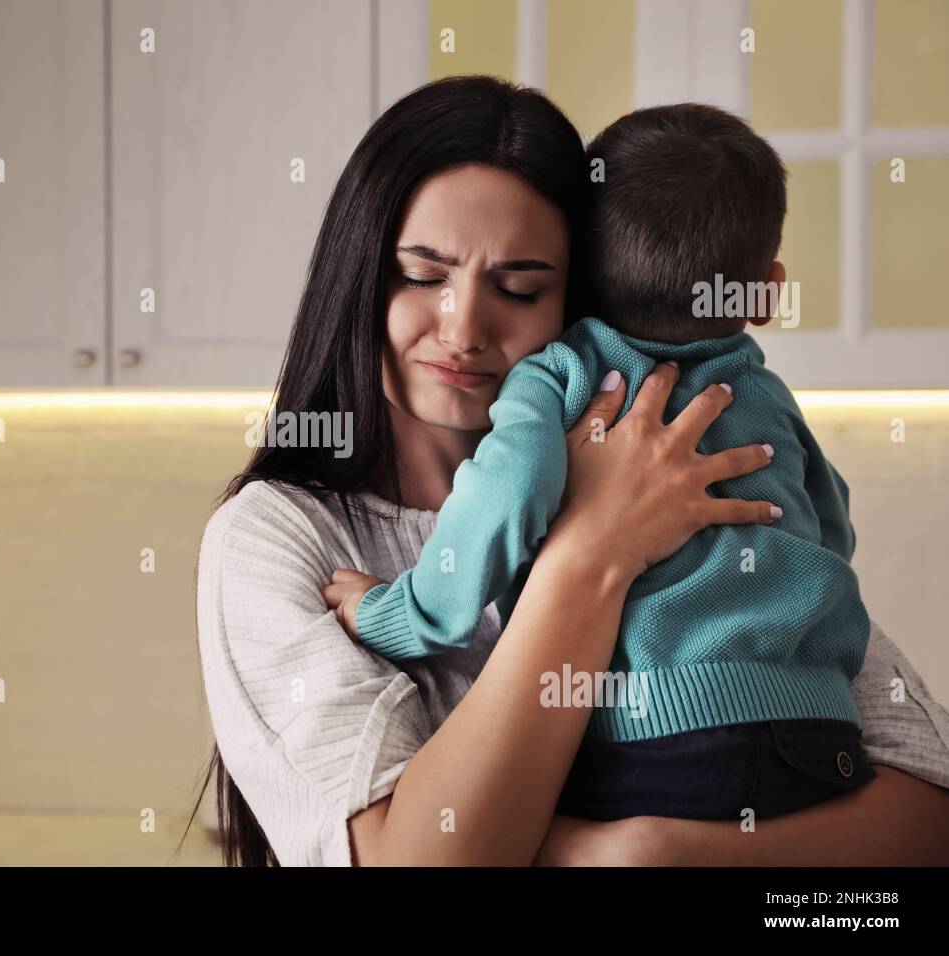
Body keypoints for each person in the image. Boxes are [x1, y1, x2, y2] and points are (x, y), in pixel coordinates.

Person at [190, 76, 949, 866]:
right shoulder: (274, 538)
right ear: (357, 277)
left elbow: (928, 819)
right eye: (422, 276)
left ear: (582, 298)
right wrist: (593, 547)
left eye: (520, 287)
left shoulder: (675, 455)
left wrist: (651, 853)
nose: (465, 328)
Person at [325, 103, 874, 824]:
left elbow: (506, 497)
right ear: (766, 291)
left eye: (520, 288)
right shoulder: (766, 395)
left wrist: (397, 612)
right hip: (818, 734)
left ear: (578, 273)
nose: (465, 329)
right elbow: (829, 527)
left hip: (655, 741)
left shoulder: (561, 377)